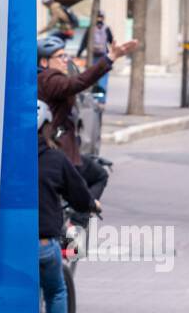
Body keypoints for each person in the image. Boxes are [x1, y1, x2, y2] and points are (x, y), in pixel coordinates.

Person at [37, 32, 138, 199]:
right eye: (60, 56)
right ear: (44, 62)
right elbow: (77, 83)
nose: (65, 60)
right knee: (100, 175)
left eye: (66, 55)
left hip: (46, 149)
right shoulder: (50, 79)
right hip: (59, 151)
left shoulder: (38, 79)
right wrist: (110, 58)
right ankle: (79, 219)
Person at [37, 100, 99, 313]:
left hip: (4, 248)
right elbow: (80, 195)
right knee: (56, 290)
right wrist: (92, 205)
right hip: (41, 245)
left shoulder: (4, 157)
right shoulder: (55, 159)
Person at [78, 10, 114, 101]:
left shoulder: (91, 28)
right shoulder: (106, 28)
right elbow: (111, 42)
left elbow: (84, 42)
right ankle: (101, 100)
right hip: (103, 56)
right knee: (103, 78)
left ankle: (92, 98)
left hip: (92, 56)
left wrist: (79, 53)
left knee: (92, 77)